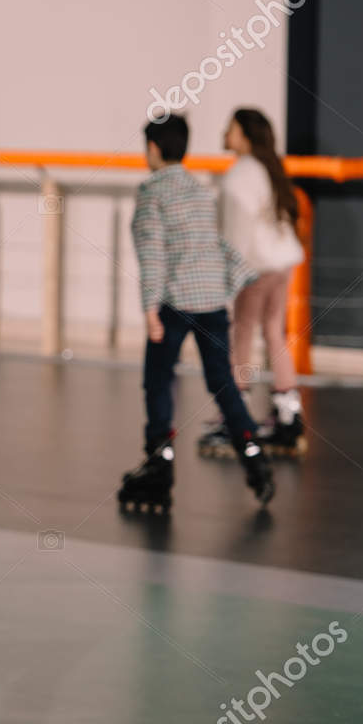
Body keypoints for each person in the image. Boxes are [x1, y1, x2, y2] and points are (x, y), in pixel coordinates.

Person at [118, 113, 274, 514]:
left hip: (174, 303)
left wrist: (150, 308)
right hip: (211, 302)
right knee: (222, 381)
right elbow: (216, 243)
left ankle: (159, 464)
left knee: (158, 381)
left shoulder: (153, 193)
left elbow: (153, 253)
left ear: (152, 149)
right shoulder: (201, 189)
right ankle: (254, 454)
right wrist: (236, 279)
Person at [207, 107, 307, 456]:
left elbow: (235, 236)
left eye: (231, 128)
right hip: (282, 261)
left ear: (245, 136)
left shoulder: (239, 176)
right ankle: (288, 415)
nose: (225, 133)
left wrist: (228, 276)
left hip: (257, 266)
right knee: (273, 331)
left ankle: (236, 418)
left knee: (243, 334)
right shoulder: (269, 168)